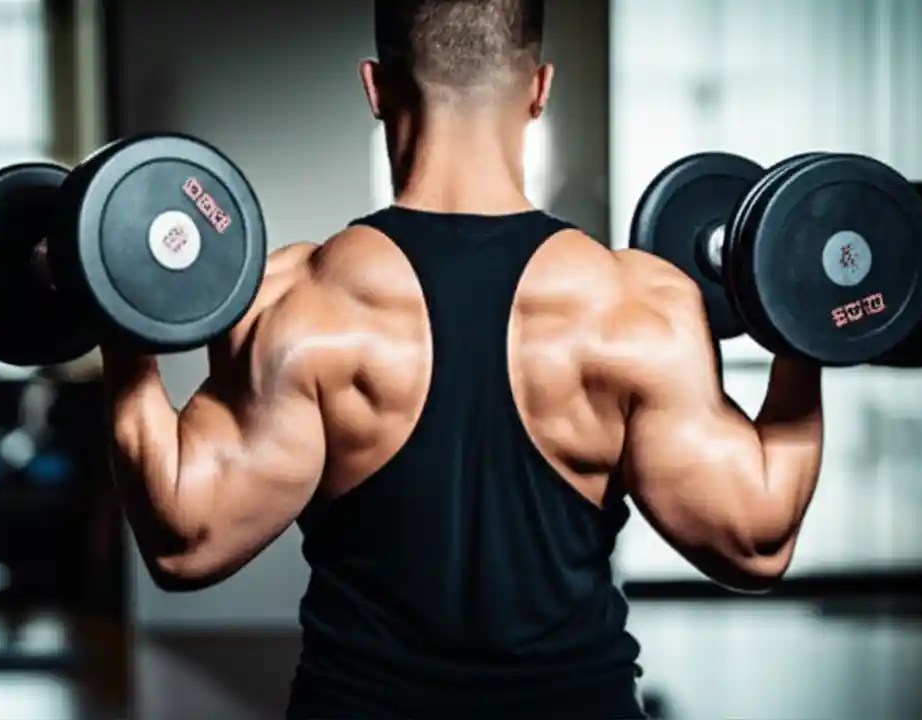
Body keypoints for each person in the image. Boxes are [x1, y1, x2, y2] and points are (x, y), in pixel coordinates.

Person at [102, 1, 824, 717]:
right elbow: (756, 542)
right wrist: (804, 319)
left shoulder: (300, 304)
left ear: (375, 88)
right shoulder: (637, 309)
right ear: (540, 88)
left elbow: (184, 543)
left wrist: (119, 315)